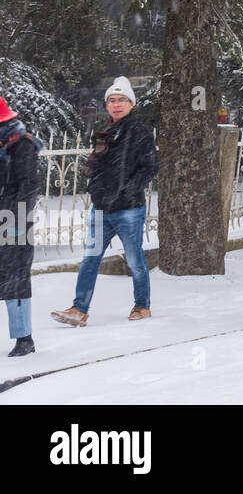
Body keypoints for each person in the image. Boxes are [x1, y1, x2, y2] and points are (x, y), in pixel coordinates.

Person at [52, 77, 156, 327]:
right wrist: (95, 184)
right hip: (102, 210)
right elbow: (96, 165)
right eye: (112, 100)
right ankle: (79, 310)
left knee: (134, 260)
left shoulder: (139, 132)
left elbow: (150, 167)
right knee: (90, 259)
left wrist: (129, 189)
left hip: (129, 210)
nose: (117, 104)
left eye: (122, 100)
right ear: (106, 104)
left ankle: (142, 306)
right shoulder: (104, 131)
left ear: (131, 103)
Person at [0, 96, 41, 357]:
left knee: (15, 280)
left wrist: (12, 219)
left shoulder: (21, 145)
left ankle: (24, 339)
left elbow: (28, 188)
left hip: (14, 222)